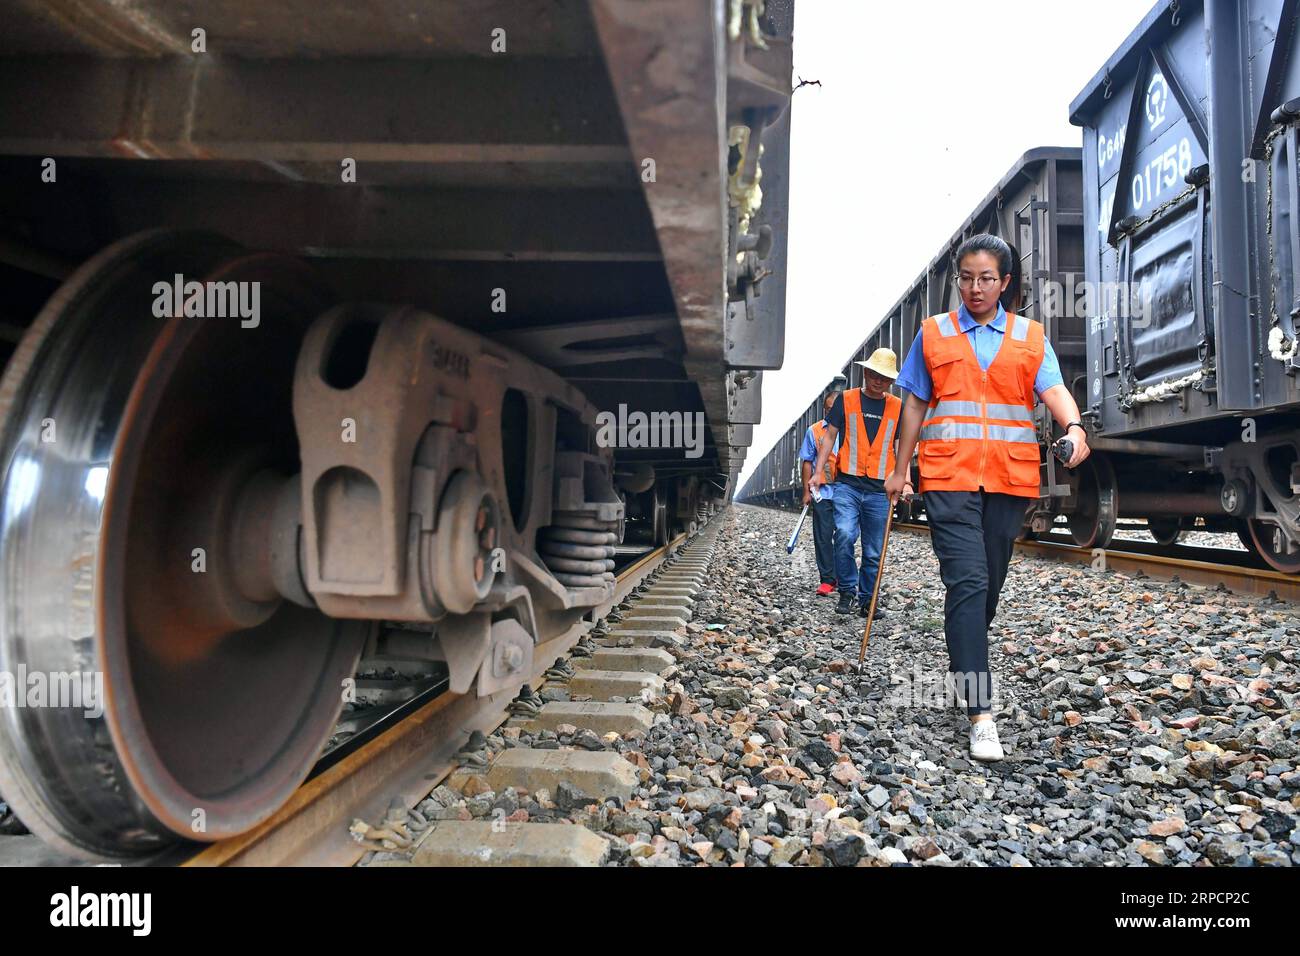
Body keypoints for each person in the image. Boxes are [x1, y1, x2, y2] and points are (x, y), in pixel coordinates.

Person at [883, 233, 1090, 763]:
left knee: (986, 588)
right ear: (958, 280)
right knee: (969, 580)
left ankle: (963, 656)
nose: (975, 289)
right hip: (948, 477)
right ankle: (981, 713)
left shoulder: (1029, 336)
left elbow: (1054, 390)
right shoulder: (933, 334)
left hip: (1008, 481)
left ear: (1005, 282)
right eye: (967, 279)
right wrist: (899, 470)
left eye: (987, 279)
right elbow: (913, 406)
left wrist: (1075, 426)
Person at [808, 348, 910, 618]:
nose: (878, 381)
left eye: (885, 378)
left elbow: (902, 446)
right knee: (843, 534)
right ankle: (847, 592)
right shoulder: (846, 400)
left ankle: (868, 600)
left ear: (891, 381)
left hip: (880, 489)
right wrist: (818, 472)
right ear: (865, 373)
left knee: (874, 550)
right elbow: (829, 438)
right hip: (848, 485)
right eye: (874, 375)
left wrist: (906, 480)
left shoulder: (898, 407)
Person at [798, 394, 840, 595]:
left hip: (847, 491)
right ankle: (828, 579)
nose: (832, 411)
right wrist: (806, 492)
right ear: (824, 410)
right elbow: (807, 461)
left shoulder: (852, 429)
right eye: (829, 408)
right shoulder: (813, 431)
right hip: (822, 492)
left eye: (836, 407)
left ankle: (844, 577)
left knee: (845, 536)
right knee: (823, 536)